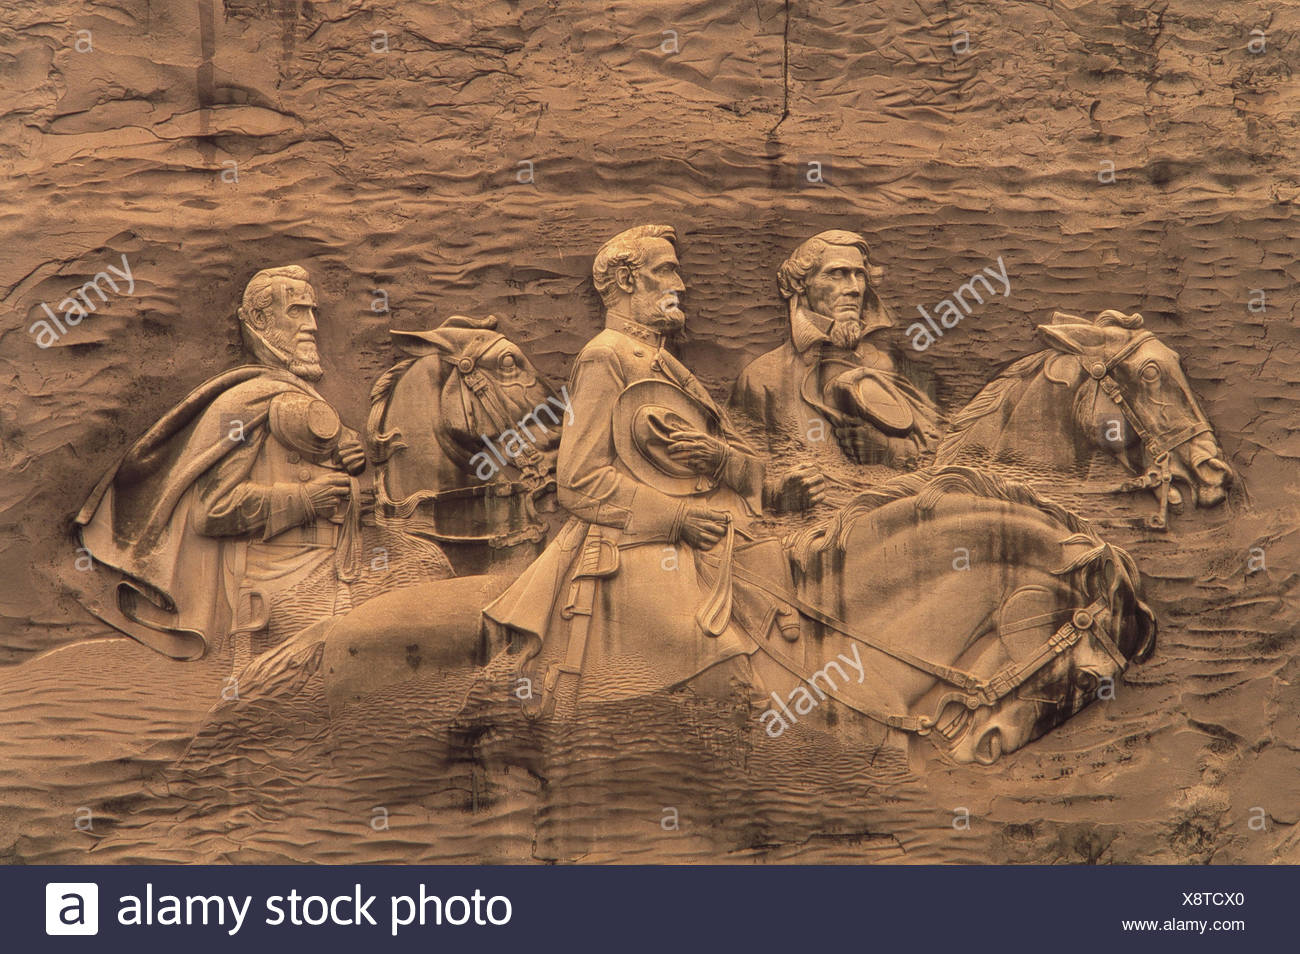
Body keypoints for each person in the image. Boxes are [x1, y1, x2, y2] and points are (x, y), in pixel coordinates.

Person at [483, 225, 823, 711]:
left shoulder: (662, 361)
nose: (679, 285)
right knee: (730, 677)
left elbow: (709, 455)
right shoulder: (606, 356)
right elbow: (578, 480)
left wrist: (768, 484)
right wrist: (677, 519)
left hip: (709, 535)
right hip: (634, 545)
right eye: (665, 270)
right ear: (625, 280)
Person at [75, 265, 368, 660]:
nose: (312, 325)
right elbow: (213, 512)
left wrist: (351, 458)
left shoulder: (303, 400)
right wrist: (304, 500)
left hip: (336, 573)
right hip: (276, 592)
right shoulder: (240, 404)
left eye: (313, 312)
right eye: (298, 311)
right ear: (262, 321)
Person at [730, 230, 940, 465]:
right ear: (801, 283)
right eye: (837, 274)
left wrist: (887, 450)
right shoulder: (762, 378)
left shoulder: (886, 364)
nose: (854, 288)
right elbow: (745, 466)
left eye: (859, 275)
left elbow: (939, 453)